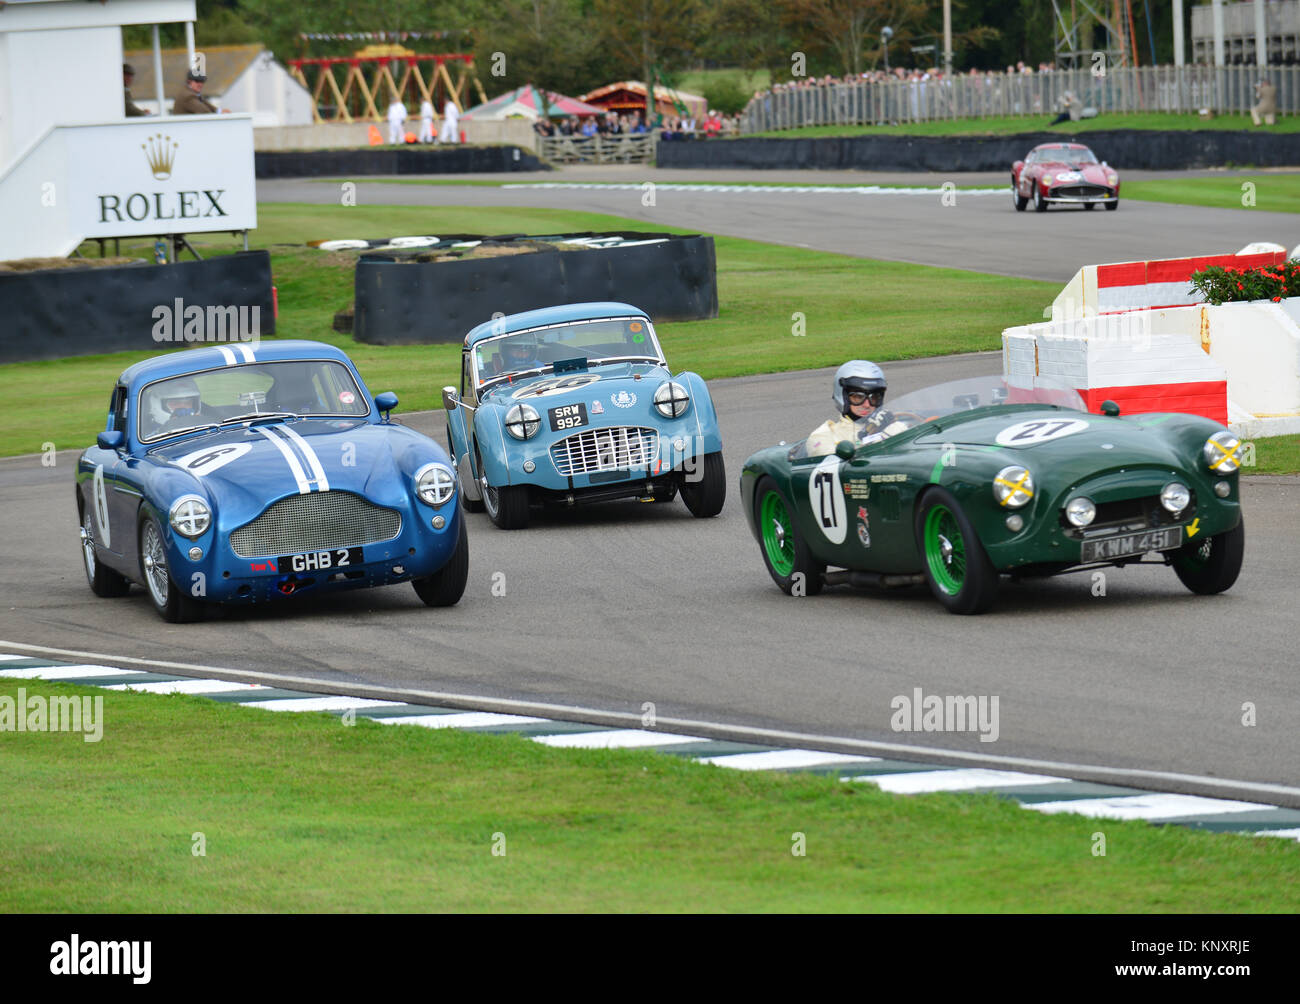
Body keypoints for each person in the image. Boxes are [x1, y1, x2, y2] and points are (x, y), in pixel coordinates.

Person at [805, 361, 907, 456]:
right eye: (858, 397)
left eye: (874, 397)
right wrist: (874, 437)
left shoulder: (893, 424)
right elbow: (837, 463)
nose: (867, 405)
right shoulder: (822, 436)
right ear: (843, 396)